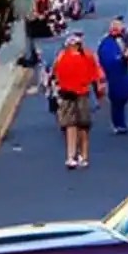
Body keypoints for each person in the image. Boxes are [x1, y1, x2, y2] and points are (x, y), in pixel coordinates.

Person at [51, 33, 103, 169]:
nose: (73, 47)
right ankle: (71, 156)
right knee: (71, 125)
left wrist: (98, 89)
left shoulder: (87, 56)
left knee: (82, 127)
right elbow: (56, 74)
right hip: (68, 95)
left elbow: (95, 75)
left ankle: (83, 155)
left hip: (83, 94)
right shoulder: (62, 57)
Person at [97, 19, 128, 134]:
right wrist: (122, 58)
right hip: (114, 75)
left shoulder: (123, 40)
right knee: (116, 98)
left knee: (123, 97)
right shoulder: (106, 43)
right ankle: (118, 124)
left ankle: (120, 122)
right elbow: (107, 60)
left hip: (123, 73)